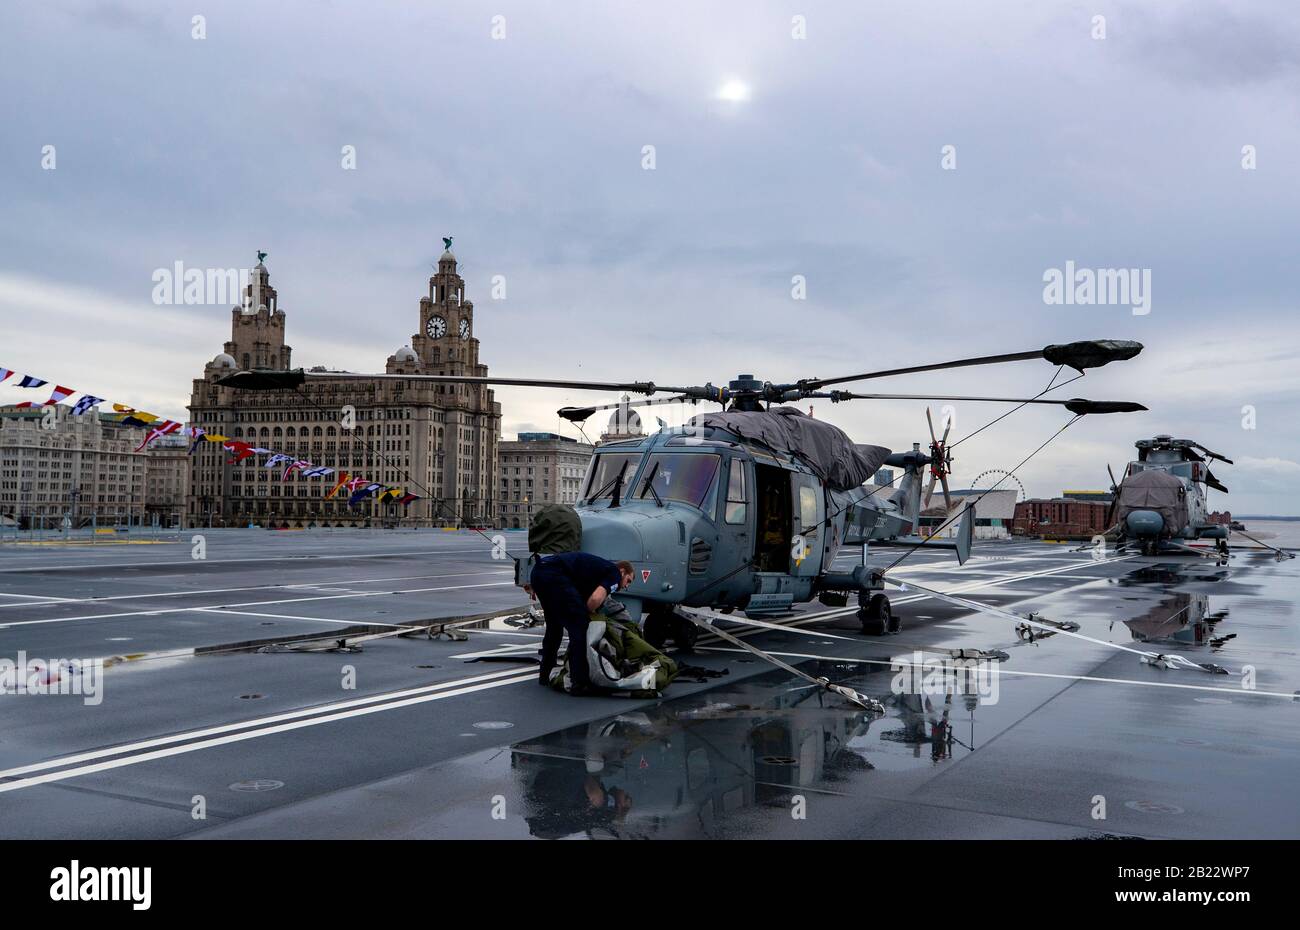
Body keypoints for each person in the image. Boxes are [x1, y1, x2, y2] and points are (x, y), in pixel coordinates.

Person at [527, 553, 635, 694]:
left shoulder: (596, 571)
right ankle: (579, 683)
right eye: (628, 580)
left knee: (554, 627)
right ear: (622, 572)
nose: (626, 586)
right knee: (580, 626)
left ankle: (545, 674)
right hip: (555, 575)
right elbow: (595, 599)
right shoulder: (614, 573)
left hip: (539, 571)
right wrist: (586, 614)